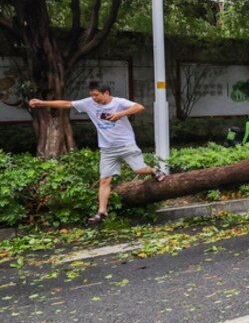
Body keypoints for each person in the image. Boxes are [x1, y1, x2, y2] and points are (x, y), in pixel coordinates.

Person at [29, 82, 165, 223]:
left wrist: (121, 113)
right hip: (107, 149)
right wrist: (42, 103)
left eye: (96, 95)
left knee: (140, 170)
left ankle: (154, 170)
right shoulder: (89, 103)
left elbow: (139, 107)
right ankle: (102, 212)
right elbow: (67, 104)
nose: (94, 98)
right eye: (92, 95)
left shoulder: (119, 102)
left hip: (126, 144)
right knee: (105, 180)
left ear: (106, 93)